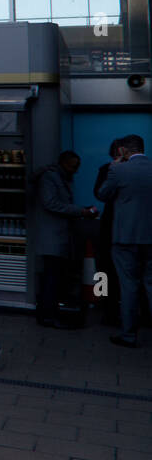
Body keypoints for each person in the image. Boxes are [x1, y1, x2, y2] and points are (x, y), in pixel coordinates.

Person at [96, 134, 152, 348]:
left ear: (124, 151)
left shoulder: (118, 169)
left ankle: (128, 334)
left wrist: (113, 167)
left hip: (125, 237)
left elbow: (102, 195)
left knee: (128, 285)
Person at [34, 151, 98, 328]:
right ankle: (47, 316)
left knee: (54, 277)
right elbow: (50, 203)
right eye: (72, 166)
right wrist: (81, 211)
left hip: (59, 236)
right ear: (63, 163)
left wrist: (81, 210)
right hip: (52, 236)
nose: (75, 170)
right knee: (51, 278)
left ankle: (50, 314)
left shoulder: (61, 178)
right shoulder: (50, 178)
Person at [93, 138, 125, 327]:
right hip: (120, 227)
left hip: (110, 226)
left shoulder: (107, 169)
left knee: (105, 271)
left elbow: (99, 194)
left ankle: (107, 309)